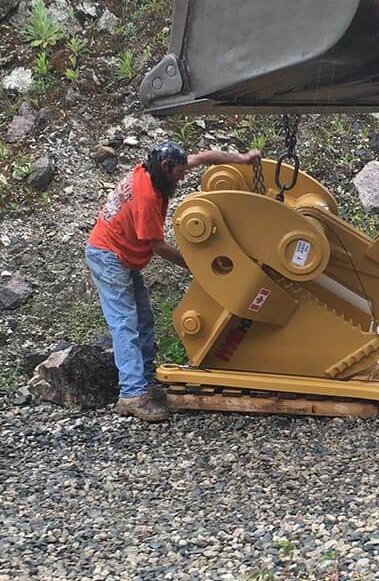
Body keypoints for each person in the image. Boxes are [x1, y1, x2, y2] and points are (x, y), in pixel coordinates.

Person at [85, 141, 261, 422]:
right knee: (125, 323)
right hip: (109, 256)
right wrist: (198, 266)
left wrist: (241, 158)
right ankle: (131, 395)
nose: (182, 178)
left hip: (121, 255)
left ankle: (141, 384)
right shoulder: (147, 198)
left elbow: (205, 157)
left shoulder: (158, 168)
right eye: (179, 174)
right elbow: (159, 247)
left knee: (143, 320)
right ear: (167, 168)